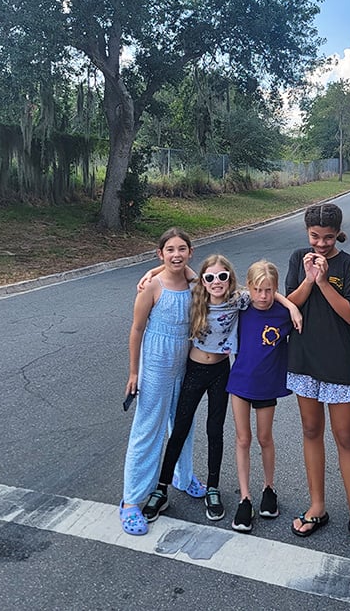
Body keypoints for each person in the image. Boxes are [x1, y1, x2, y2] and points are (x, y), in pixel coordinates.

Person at [141, 254, 301, 524]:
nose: (217, 281)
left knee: (215, 430)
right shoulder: (197, 293)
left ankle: (213, 488)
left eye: (223, 276)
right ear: (203, 280)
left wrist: (291, 306)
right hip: (194, 369)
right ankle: (161, 487)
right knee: (179, 428)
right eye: (211, 277)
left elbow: (267, 292)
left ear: (232, 279)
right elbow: (179, 268)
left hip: (221, 372)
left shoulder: (239, 300)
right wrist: (153, 270)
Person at [285, 202, 350, 554]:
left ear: (337, 234)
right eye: (314, 237)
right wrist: (310, 278)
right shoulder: (299, 258)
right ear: (307, 234)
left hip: (340, 361)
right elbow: (290, 302)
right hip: (304, 358)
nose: (321, 244)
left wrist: (324, 281)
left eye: (327, 238)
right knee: (311, 430)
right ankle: (317, 506)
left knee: (345, 437)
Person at [119, 227, 198, 536]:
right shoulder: (152, 287)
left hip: (185, 361)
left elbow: (196, 274)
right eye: (170, 250)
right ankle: (131, 501)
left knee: (182, 423)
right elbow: (137, 329)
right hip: (155, 363)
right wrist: (134, 372)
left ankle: (183, 474)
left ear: (191, 252)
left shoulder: (194, 284)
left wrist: (167, 265)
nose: (176, 254)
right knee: (148, 428)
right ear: (160, 253)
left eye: (182, 249)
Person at [227, 260, 302, 533]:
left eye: (269, 290)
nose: (263, 296)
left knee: (264, 437)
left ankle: (269, 488)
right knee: (243, 438)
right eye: (258, 289)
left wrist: (291, 305)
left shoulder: (283, 313)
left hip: (267, 385)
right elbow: (212, 286)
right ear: (249, 288)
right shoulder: (242, 307)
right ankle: (245, 497)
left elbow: (294, 302)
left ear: (276, 289)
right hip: (240, 382)